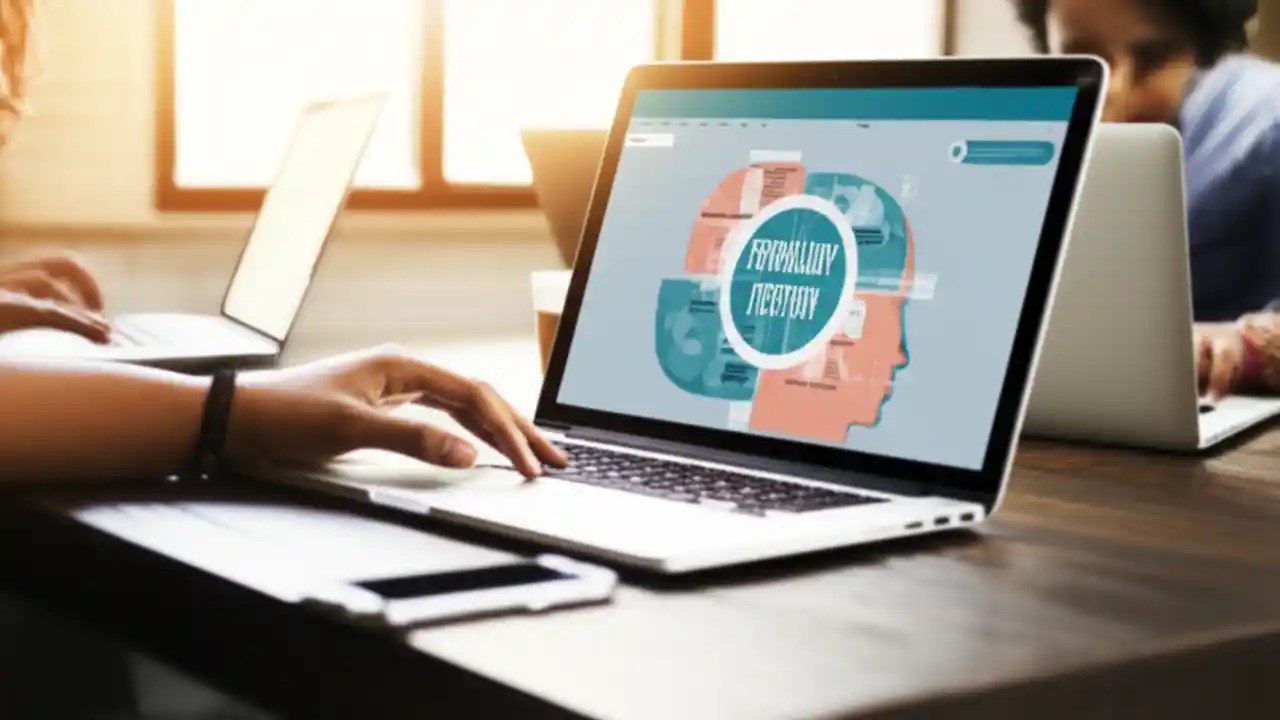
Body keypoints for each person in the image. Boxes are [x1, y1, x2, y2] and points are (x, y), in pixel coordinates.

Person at [1014, 0, 1280, 397]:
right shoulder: (1040, 134)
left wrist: (1246, 347)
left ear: (1200, 44)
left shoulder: (1263, 121)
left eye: (1153, 57)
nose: (1116, 91)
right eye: (1086, 59)